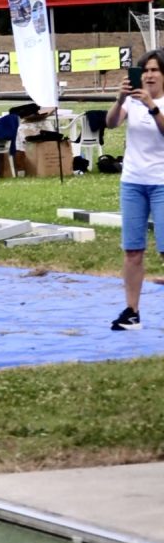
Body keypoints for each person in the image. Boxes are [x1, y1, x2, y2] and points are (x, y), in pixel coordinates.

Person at [105, 49, 164, 331]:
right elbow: (111, 123)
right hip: (133, 182)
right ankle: (132, 311)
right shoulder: (132, 100)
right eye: (145, 70)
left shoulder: (157, 102)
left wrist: (152, 106)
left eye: (154, 70)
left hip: (162, 183)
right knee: (132, 250)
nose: (149, 75)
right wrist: (120, 99)